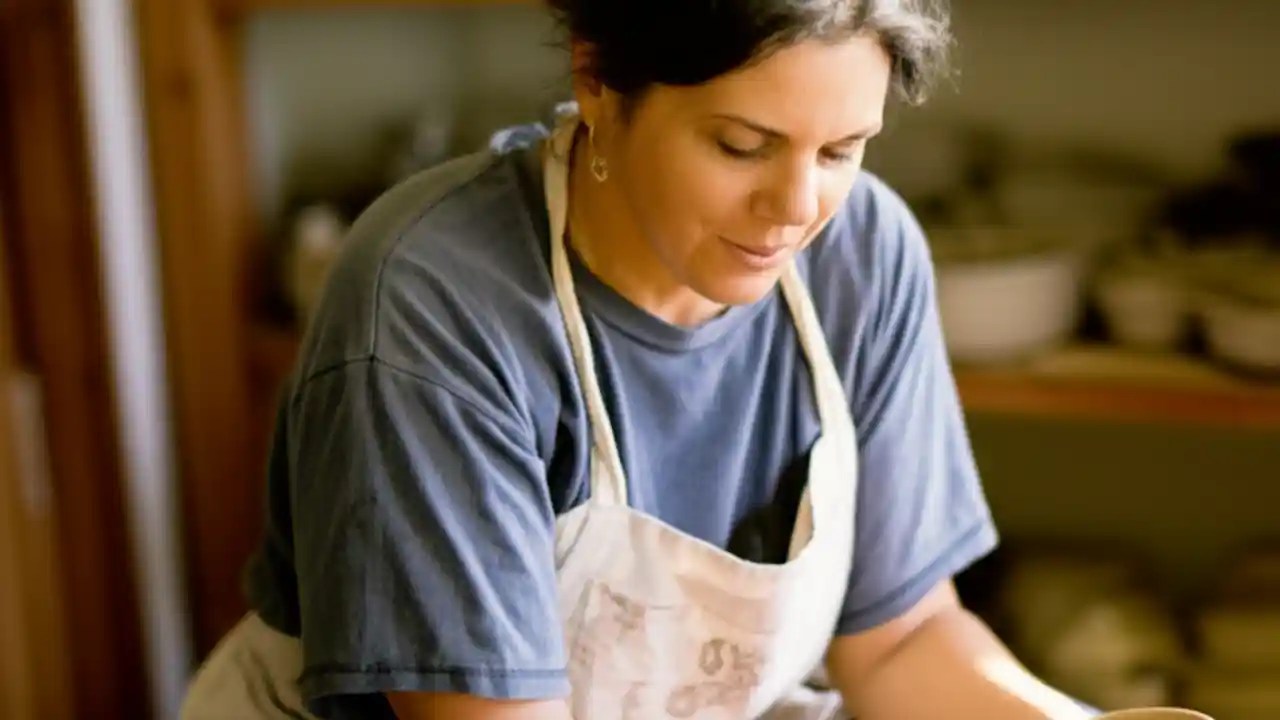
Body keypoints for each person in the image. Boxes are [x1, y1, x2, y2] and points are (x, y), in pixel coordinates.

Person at [181, 1, 1103, 718]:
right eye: (742, 145)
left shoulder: (862, 253)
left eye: (841, 150)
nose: (795, 206)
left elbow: (899, 641)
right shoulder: (436, 302)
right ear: (597, 82)